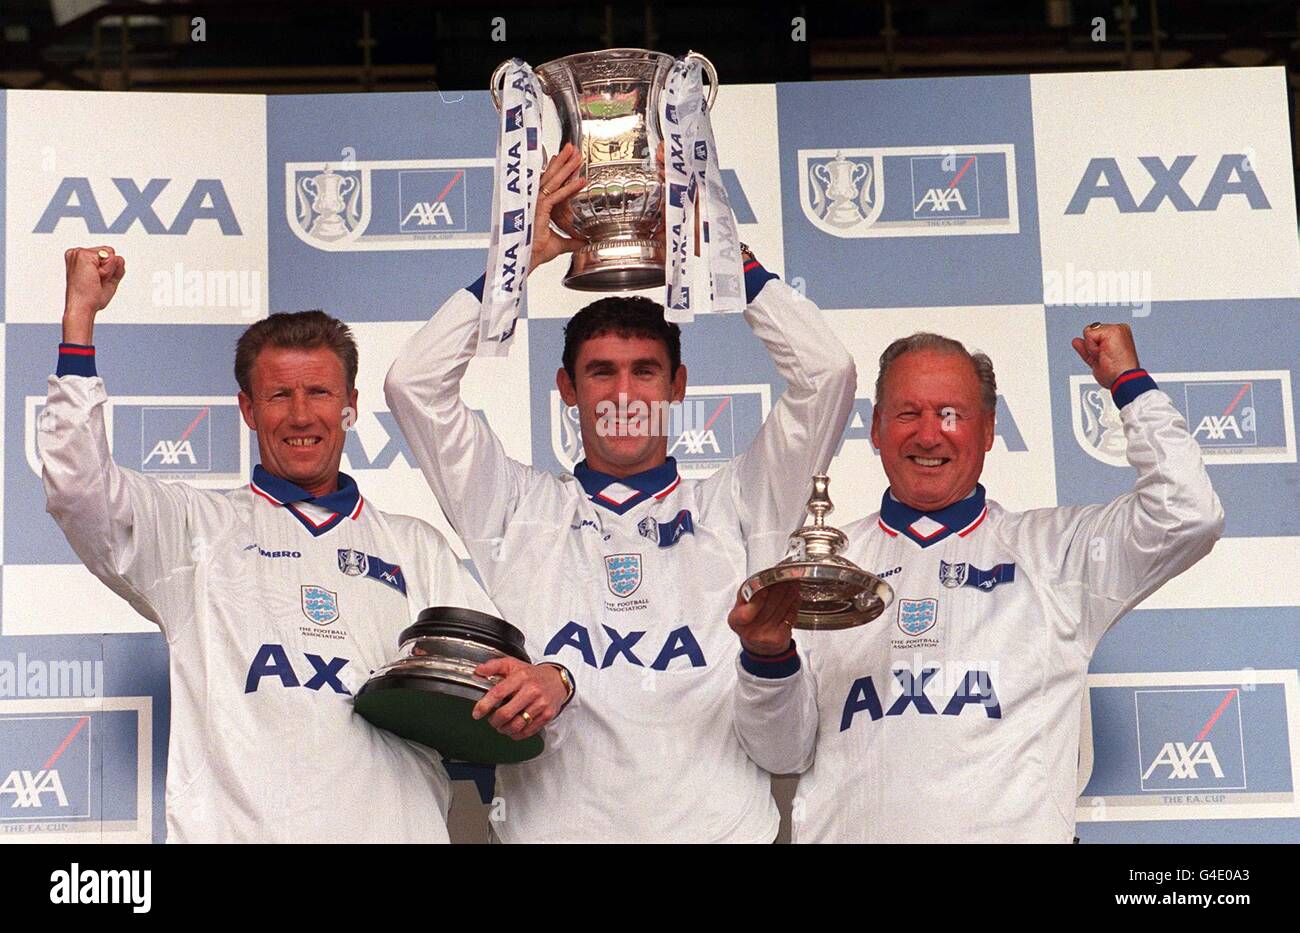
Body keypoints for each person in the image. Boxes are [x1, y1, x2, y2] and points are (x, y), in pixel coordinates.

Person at [384, 143, 857, 842]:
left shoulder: (743, 505)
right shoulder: (514, 511)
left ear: (679, 386)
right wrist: (516, 259)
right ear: (567, 390)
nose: (625, 393)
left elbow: (828, 372)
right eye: (601, 372)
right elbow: (413, 386)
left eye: (645, 370)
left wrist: (723, 252)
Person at [40, 246, 550, 843]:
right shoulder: (191, 530)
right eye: (280, 396)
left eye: (320, 393)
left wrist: (548, 680)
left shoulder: (416, 548)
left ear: (351, 406)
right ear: (248, 409)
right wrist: (80, 318)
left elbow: (497, 680)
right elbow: (78, 489)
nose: (302, 415)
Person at [728, 325, 1224, 843]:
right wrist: (766, 657)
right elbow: (779, 753)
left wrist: (1128, 382)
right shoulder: (820, 573)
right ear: (875, 429)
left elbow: (1188, 514)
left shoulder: (1057, 554)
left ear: (988, 429)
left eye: (951, 414)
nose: (927, 434)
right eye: (907, 413)